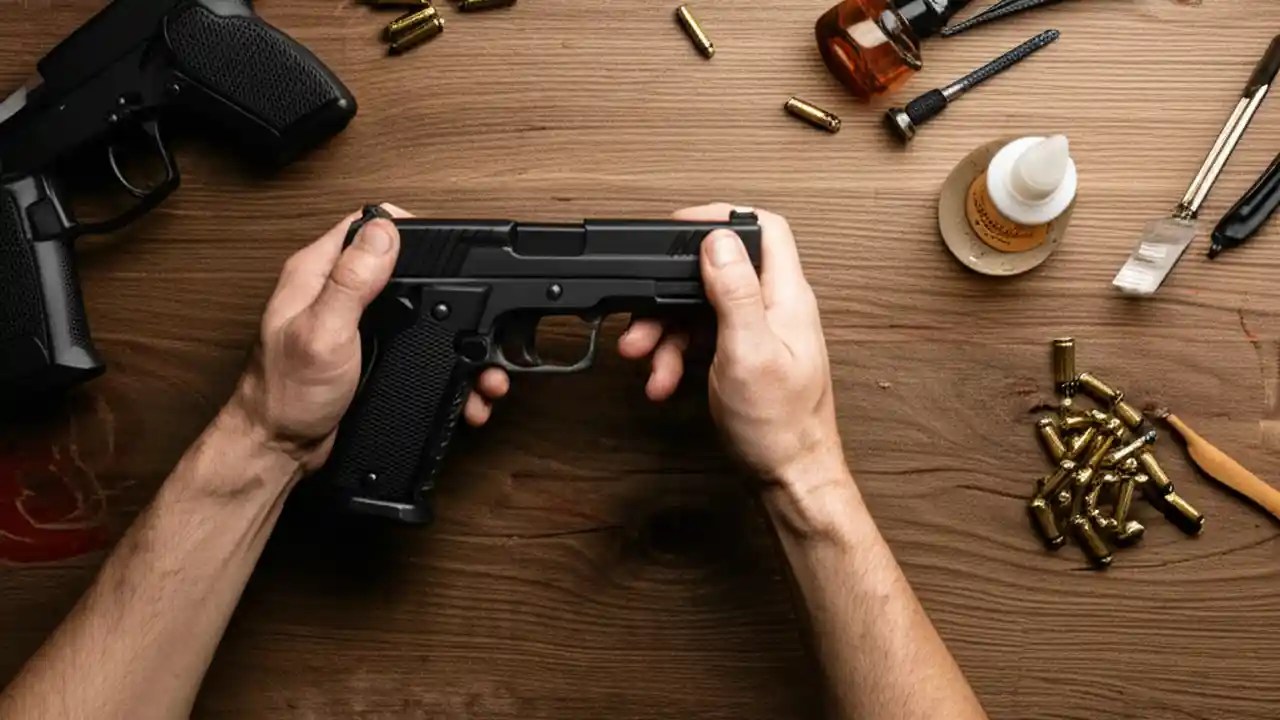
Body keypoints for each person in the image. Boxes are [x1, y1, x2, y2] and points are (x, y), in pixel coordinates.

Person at [0, 203, 988, 720]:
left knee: (433, 358)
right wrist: (805, 463)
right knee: (425, 371)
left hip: (434, 292)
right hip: (433, 296)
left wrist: (268, 432)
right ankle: (374, 483)